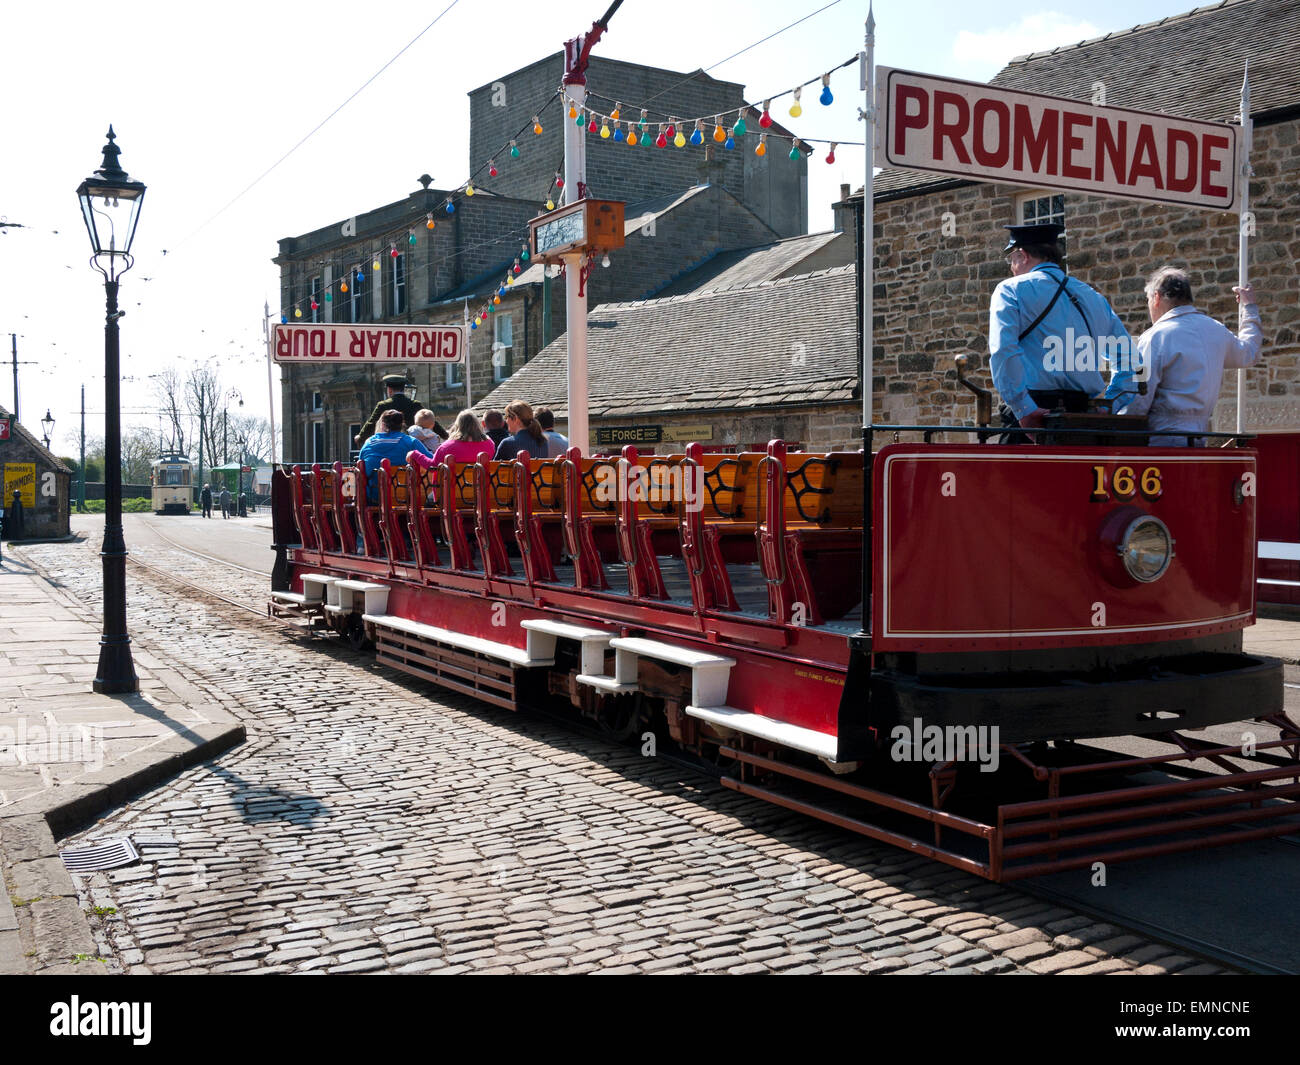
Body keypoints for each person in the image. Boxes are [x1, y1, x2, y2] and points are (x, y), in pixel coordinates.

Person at [988, 222, 1134, 439]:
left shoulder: (1010, 289)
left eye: (1012, 258)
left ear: (1023, 255)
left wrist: (1024, 409)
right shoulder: (1094, 297)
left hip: (1034, 413)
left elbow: (1004, 351)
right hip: (1083, 419)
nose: (1011, 266)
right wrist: (1108, 405)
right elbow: (1131, 362)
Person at [1109, 268, 1263, 444]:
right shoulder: (1216, 330)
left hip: (1161, 439)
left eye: (1149, 300)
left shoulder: (1156, 337)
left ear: (1156, 297)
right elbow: (1250, 352)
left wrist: (1118, 428)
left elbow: (1139, 397)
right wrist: (1249, 308)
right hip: (1199, 437)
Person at [358, 409, 433, 503]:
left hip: (374, 499)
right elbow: (432, 463)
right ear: (402, 425)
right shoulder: (411, 442)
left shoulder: (369, 442)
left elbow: (361, 466)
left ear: (383, 425)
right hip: (407, 499)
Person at [357, 374, 444, 446]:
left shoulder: (383, 405)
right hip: (410, 445)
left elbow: (371, 423)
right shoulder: (414, 404)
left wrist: (360, 437)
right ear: (403, 389)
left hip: (389, 445)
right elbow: (431, 422)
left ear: (389, 390)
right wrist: (445, 435)